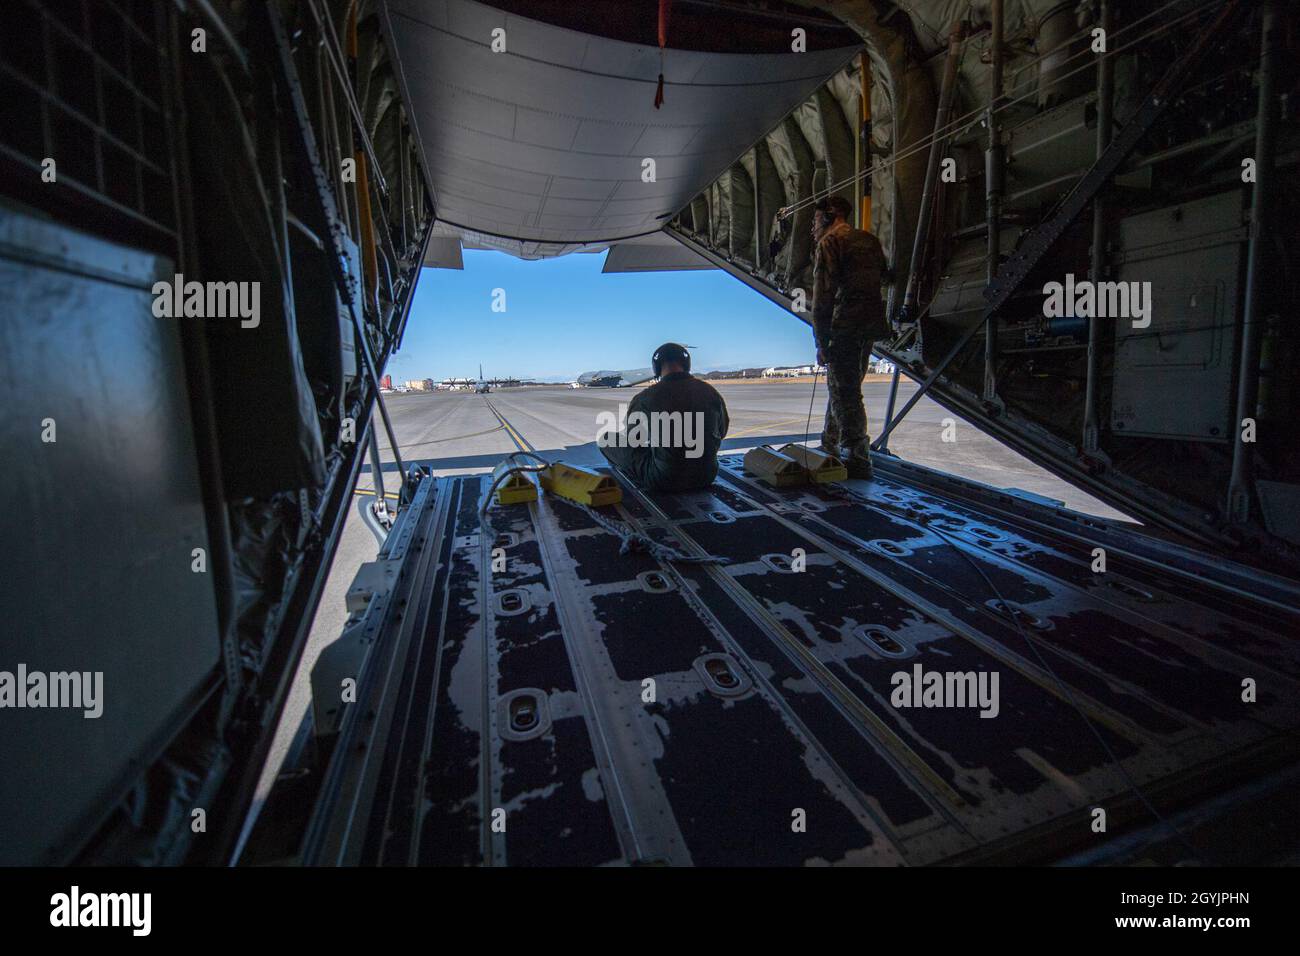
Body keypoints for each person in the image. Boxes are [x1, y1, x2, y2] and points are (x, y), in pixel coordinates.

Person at [810, 195, 891, 479]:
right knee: (845, 388)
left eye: (816, 221)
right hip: (868, 327)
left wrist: (821, 341)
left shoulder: (830, 243)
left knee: (845, 394)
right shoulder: (869, 241)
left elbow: (823, 298)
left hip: (843, 327)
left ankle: (857, 458)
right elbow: (885, 277)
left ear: (830, 217)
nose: (813, 228)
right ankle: (829, 444)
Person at [599, 343, 729, 492]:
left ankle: (631, 477)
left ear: (656, 367)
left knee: (606, 439)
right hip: (706, 477)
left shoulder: (645, 397)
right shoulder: (710, 392)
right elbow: (722, 431)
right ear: (687, 364)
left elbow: (634, 441)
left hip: (662, 480)